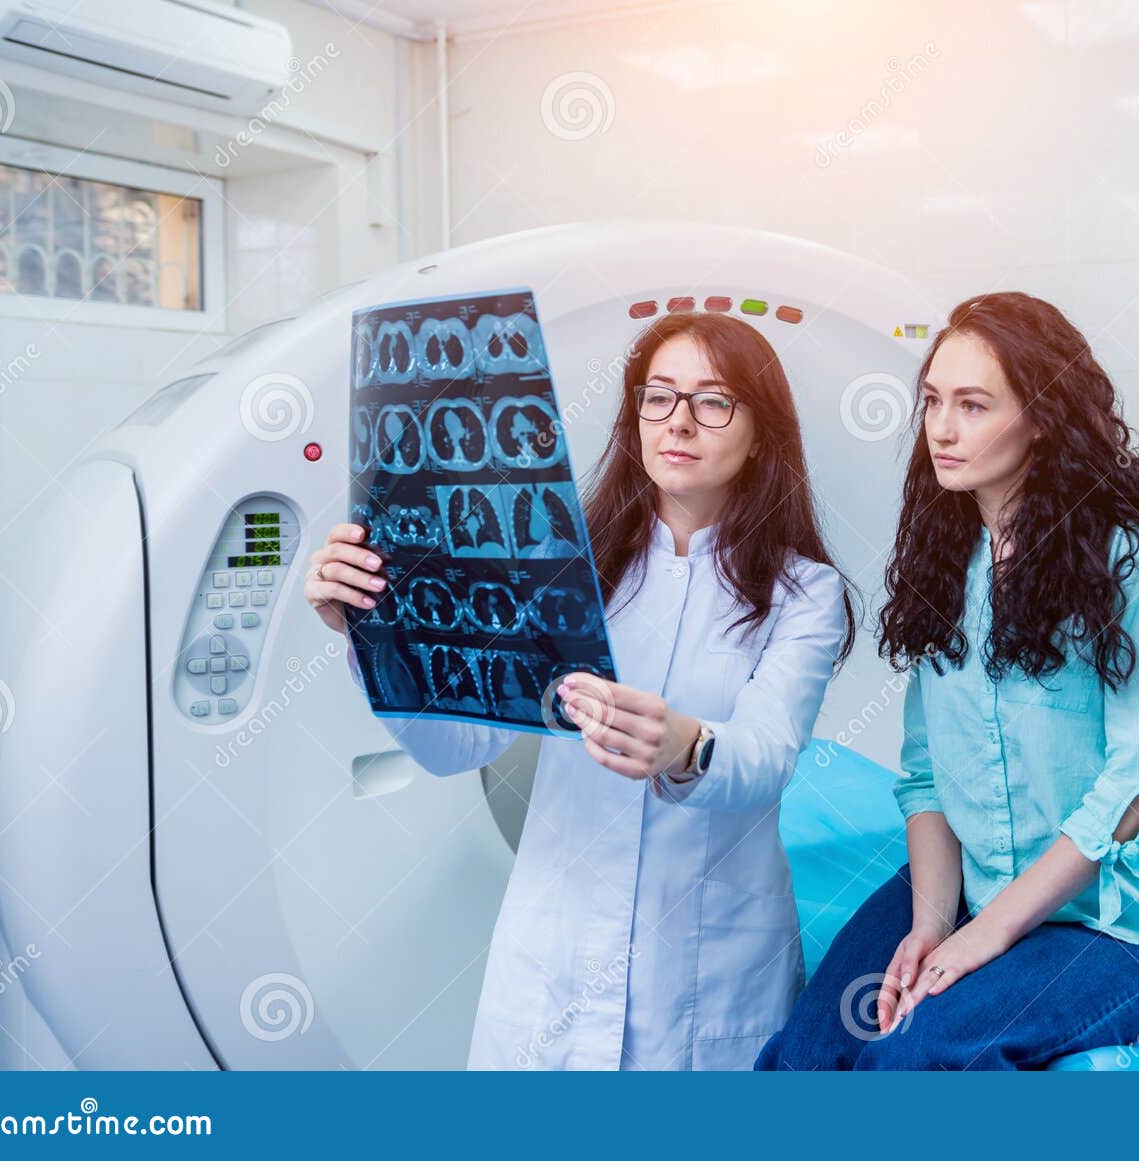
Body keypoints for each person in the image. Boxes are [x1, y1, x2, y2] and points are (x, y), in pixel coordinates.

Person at [306, 311, 854, 1070]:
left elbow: (764, 757)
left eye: (714, 400)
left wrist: (683, 745)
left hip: (708, 970)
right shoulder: (561, 572)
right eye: (658, 396)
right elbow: (458, 743)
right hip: (552, 964)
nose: (681, 422)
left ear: (760, 432)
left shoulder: (804, 594)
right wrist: (371, 636)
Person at [757, 291, 1139, 1071]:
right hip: (971, 885)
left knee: (920, 1055)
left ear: (1043, 417)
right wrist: (931, 923)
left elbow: (1136, 787)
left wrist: (990, 932)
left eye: (974, 405)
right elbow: (925, 776)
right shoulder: (948, 558)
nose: (942, 430)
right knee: (807, 1052)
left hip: (1112, 923)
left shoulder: (1136, 558)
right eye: (934, 402)